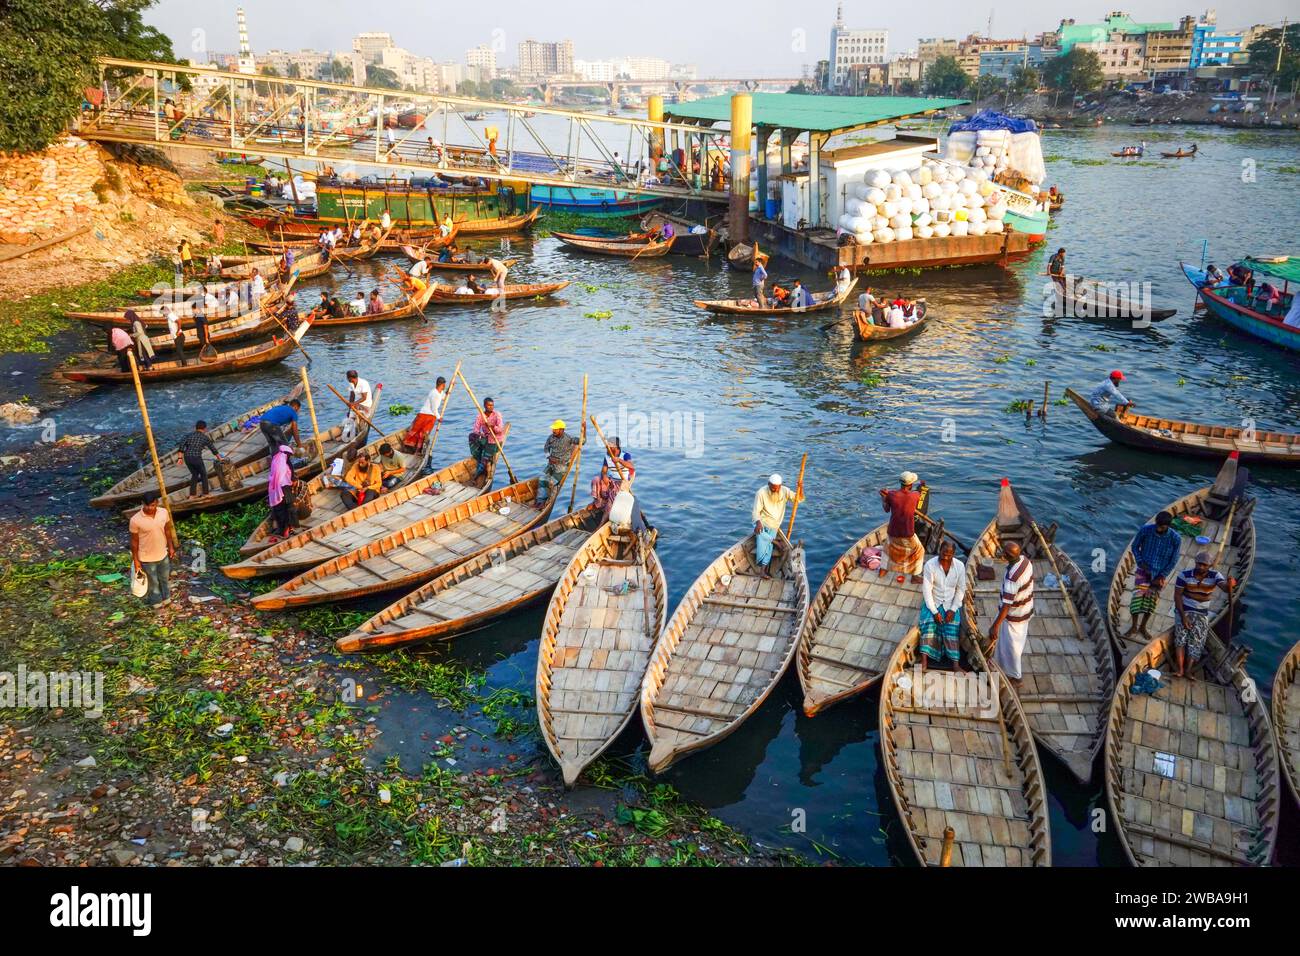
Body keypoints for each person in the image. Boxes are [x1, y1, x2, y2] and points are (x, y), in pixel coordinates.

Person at [1121, 510, 1182, 642]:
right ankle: (1133, 626)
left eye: (1162, 527)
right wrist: (1141, 563)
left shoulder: (1175, 538)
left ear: (1168, 526)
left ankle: (1143, 627)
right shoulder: (1146, 530)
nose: (1159, 529)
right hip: (1143, 571)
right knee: (1136, 602)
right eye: (1158, 525)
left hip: (1159, 575)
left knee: (1151, 604)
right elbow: (1135, 547)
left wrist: (1161, 575)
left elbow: (1173, 560)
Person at [1172, 551, 1234, 678]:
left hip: (1201, 613)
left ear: (1209, 566)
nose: (1201, 567)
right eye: (1199, 564)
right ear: (1195, 563)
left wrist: (1231, 585)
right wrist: (1183, 617)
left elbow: (1225, 587)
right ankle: (1180, 669)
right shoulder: (1184, 575)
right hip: (1185, 610)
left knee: (1197, 641)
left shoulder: (1215, 575)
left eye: (1204, 565)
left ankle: (1188, 670)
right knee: (1180, 638)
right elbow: (1177, 596)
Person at [988, 540, 1034, 686]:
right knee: (1011, 643)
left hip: (1015, 615)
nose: (1001, 553)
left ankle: (1016, 677)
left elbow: (1006, 606)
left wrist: (995, 625)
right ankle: (999, 665)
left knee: (1012, 646)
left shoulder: (1012, 579)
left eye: (1003, 552)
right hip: (1025, 610)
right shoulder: (1025, 561)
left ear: (1008, 555)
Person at [919, 541, 966, 671]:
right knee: (928, 624)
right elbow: (927, 591)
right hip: (934, 602)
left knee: (953, 627)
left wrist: (953, 609)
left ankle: (955, 664)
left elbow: (961, 590)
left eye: (949, 554)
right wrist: (934, 612)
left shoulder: (960, 566)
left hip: (951, 603)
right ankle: (924, 660)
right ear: (940, 550)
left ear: (953, 554)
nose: (945, 556)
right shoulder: (930, 565)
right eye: (943, 553)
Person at [130, 492, 178, 607]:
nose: (150, 508)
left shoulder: (164, 513)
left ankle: (166, 599)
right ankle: (156, 602)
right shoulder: (135, 520)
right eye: (147, 505)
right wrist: (136, 561)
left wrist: (171, 547)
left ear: (157, 503)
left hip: (163, 554)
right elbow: (134, 542)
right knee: (153, 582)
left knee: (164, 578)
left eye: (152, 505)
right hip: (146, 557)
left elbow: (167, 531)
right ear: (142, 504)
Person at [751, 473, 801, 576]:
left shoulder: (784, 491)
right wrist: (758, 523)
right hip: (762, 522)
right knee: (760, 534)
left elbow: (798, 499)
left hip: (774, 525)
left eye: (777, 489)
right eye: (773, 488)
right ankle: (776, 542)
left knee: (768, 547)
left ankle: (773, 542)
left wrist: (801, 487)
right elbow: (755, 511)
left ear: (780, 486)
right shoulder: (761, 492)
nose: (775, 490)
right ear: (768, 484)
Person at [880, 471, 924, 581]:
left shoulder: (891, 494)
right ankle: (915, 577)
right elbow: (919, 499)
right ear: (910, 485)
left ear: (900, 483)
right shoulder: (915, 495)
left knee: (887, 551)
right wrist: (922, 487)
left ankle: (883, 571)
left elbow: (886, 509)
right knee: (920, 551)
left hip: (892, 531)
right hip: (907, 533)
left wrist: (883, 498)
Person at [175, 420, 227, 498]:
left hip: (187, 457)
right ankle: (206, 493)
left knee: (195, 474)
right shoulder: (204, 437)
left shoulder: (188, 435)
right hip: (196, 457)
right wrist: (220, 458)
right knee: (203, 475)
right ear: (205, 428)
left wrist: (179, 458)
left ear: (195, 428)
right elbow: (213, 448)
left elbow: (181, 447)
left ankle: (192, 495)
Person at [536, 420, 580, 506]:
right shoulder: (551, 437)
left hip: (562, 466)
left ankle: (548, 503)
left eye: (556, 429)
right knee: (542, 479)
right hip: (551, 464)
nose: (553, 431)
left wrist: (584, 429)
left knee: (552, 483)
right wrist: (548, 457)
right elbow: (545, 448)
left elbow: (582, 441)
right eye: (553, 429)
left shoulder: (569, 439)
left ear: (562, 430)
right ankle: (540, 501)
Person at [405, 376, 449, 452]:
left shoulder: (439, 392)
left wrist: (449, 389)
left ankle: (418, 448)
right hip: (425, 415)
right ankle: (409, 446)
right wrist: (439, 418)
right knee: (416, 431)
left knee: (423, 433)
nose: (445, 386)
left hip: (431, 416)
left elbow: (444, 397)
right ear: (442, 385)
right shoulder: (434, 394)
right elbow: (434, 409)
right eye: (444, 385)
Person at [468, 397, 505, 487]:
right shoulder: (480, 416)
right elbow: (475, 430)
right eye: (489, 405)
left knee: (484, 459)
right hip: (486, 437)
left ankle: (475, 477)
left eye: (492, 405)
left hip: (495, 440)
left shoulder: (497, 415)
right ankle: (479, 455)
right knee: (471, 436)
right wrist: (480, 434)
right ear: (485, 406)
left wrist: (491, 426)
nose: (491, 407)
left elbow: (500, 430)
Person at [266, 444, 297, 542]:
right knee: (289, 509)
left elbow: (274, 477)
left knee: (280, 511)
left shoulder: (276, 460)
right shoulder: (283, 463)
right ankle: (287, 531)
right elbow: (284, 477)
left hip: (275, 491)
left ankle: (284, 530)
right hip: (283, 489)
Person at [343, 370, 373, 439]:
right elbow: (352, 395)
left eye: (347, 378)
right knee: (350, 417)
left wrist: (354, 403)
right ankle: (349, 434)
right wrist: (350, 407)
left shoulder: (363, 383)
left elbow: (364, 398)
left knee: (360, 419)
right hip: (357, 404)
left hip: (365, 404)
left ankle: (358, 431)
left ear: (351, 378)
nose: (347, 379)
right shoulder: (351, 383)